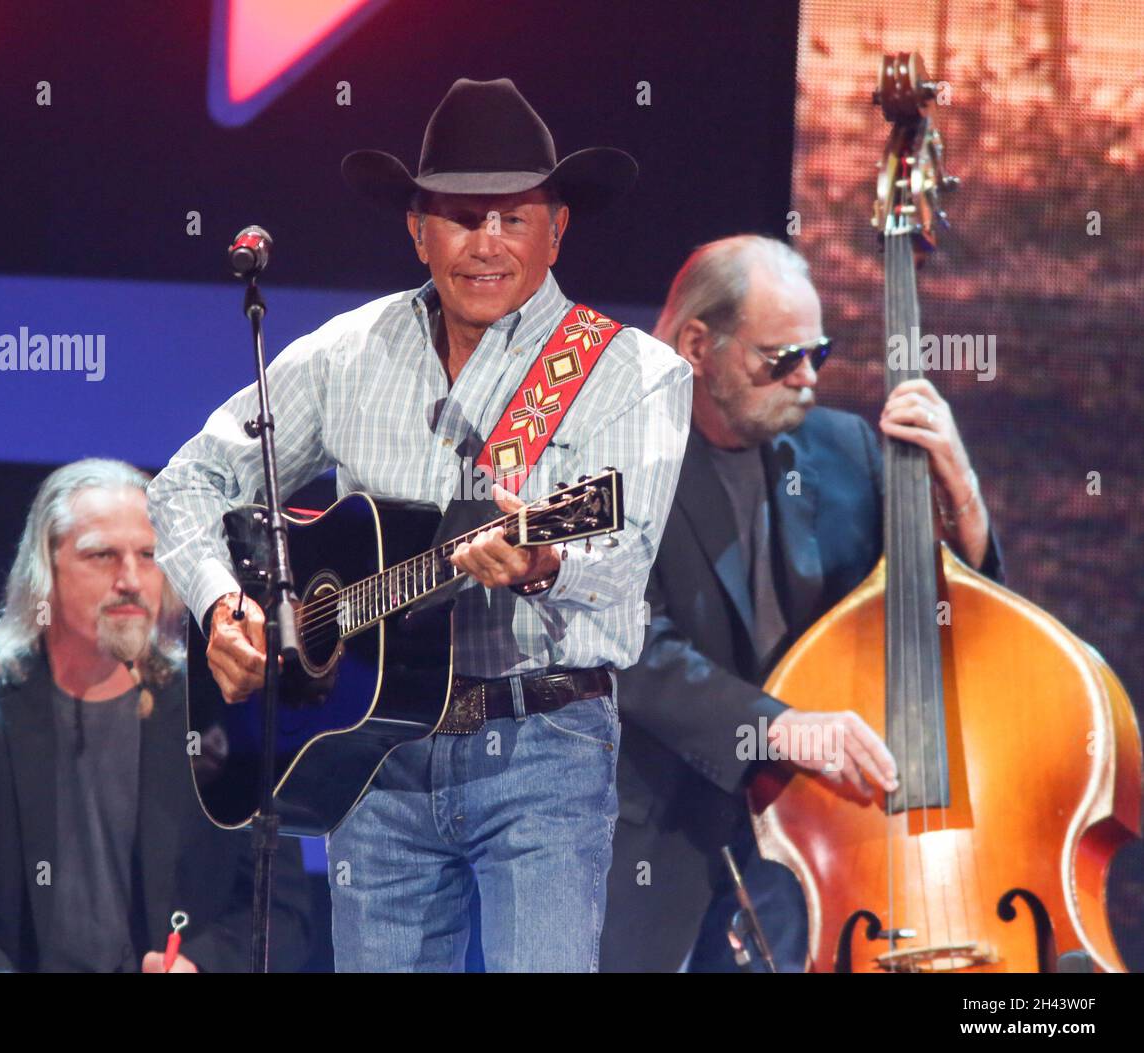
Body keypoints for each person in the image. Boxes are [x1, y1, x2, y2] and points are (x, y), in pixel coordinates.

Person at [147, 78, 692, 972]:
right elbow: (189, 481)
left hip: (542, 746)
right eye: (460, 217)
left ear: (557, 227)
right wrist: (218, 606)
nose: (487, 245)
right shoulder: (343, 353)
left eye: (513, 219)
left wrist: (545, 555)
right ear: (416, 228)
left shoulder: (636, 374)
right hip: (371, 750)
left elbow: (623, 556)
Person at [599, 235, 1003, 972]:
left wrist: (961, 492)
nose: (809, 377)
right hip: (665, 835)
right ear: (698, 344)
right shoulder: (617, 463)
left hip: (829, 837)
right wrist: (778, 729)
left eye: (819, 350)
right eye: (781, 359)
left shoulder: (845, 448)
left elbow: (958, 626)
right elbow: (628, 646)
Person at [0, 459, 312, 972]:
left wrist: (201, 965)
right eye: (101, 555)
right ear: (44, 569)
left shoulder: (220, 702)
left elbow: (282, 908)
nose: (130, 579)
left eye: (149, 555)